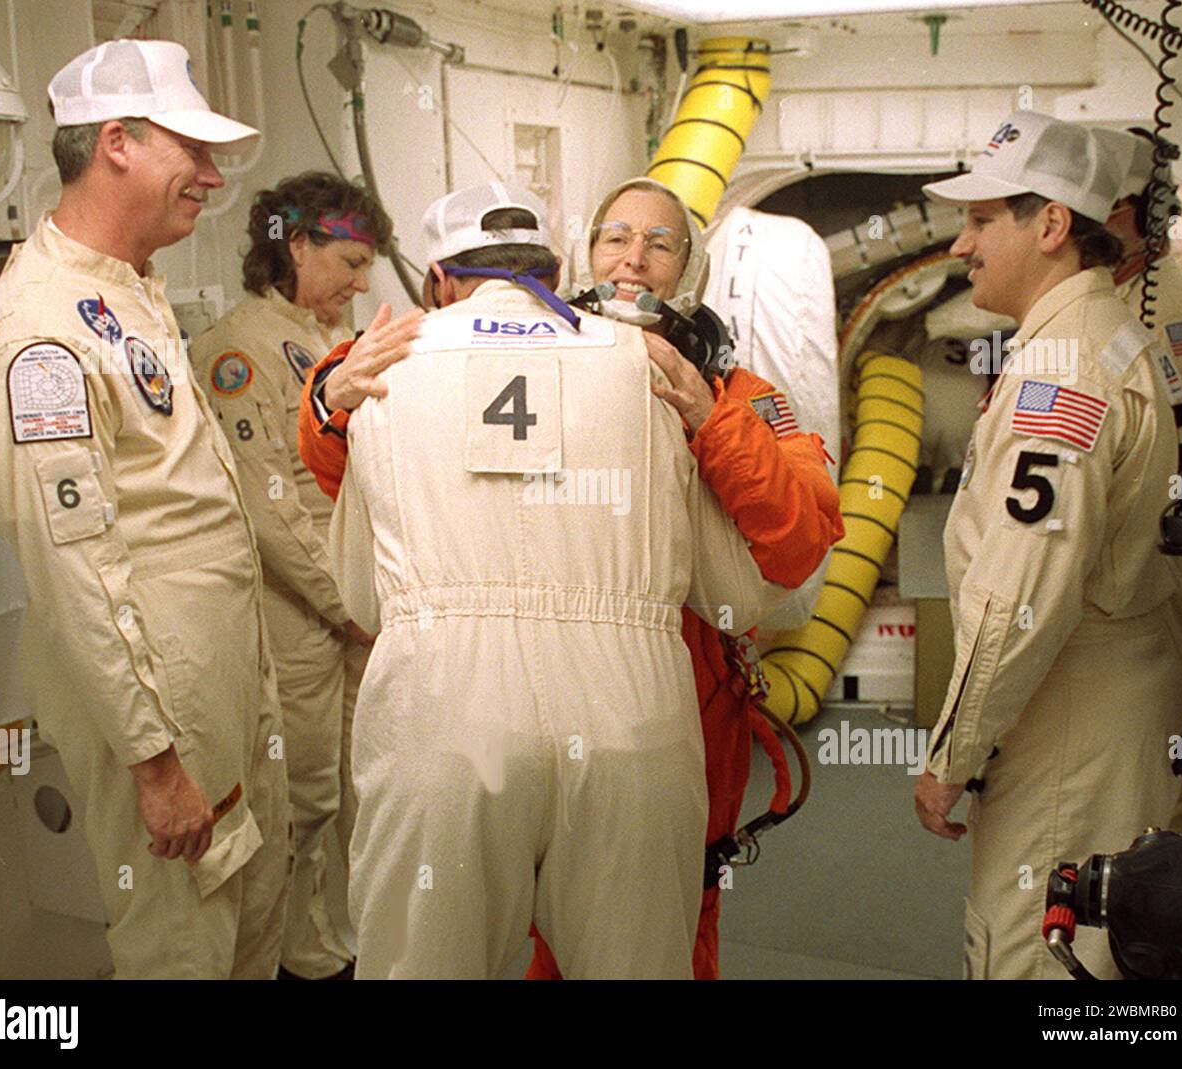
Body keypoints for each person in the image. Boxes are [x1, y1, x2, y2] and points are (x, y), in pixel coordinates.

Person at [298, 177, 844, 979]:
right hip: (637, 710)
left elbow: (799, 537)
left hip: (472, 706)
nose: (635, 259)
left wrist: (713, 419)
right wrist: (325, 399)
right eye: (617, 238)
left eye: (660, 244)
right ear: (567, 264)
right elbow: (739, 591)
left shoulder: (718, 389)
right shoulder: (640, 375)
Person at [0, 40, 289, 979]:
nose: (214, 177)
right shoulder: (41, 333)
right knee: (181, 947)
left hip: (215, 681)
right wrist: (154, 763)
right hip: (160, 709)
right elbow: (77, 564)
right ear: (118, 144)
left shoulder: (127, 293)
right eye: (194, 150)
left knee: (250, 923)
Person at [913, 111, 1182, 979]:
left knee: (1040, 956)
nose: (962, 245)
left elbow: (1020, 591)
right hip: (1115, 712)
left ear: (1051, 225)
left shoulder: (1060, 368)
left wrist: (950, 756)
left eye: (983, 219)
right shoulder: (1102, 337)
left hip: (1070, 728)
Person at [190, 173, 417, 979]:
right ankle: (303, 959)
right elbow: (273, 507)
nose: (362, 282)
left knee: (366, 787)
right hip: (299, 611)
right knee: (306, 797)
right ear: (296, 244)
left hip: (356, 602)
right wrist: (351, 604)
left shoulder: (327, 340)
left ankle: (348, 943)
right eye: (351, 262)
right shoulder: (238, 350)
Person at [1105, 129, 1182, 491]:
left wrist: (1117, 494)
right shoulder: (1117, 298)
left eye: (1110, 209)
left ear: (1152, 216)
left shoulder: (1171, 311)